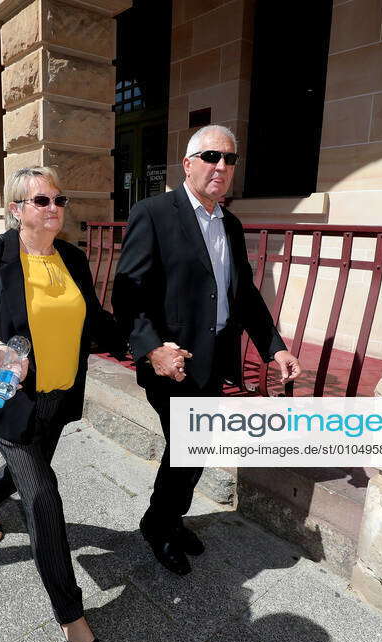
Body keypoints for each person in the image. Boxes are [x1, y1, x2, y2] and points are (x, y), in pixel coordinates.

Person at [0, 166, 125, 642]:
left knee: (28, 473)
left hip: (59, 397)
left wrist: (147, 347)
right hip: (11, 400)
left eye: (59, 200)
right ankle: (72, 616)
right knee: (43, 497)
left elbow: (95, 320)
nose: (54, 208)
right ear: (16, 209)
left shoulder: (72, 258)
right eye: (41, 200)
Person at [112, 124, 302, 577]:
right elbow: (127, 294)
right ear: (188, 164)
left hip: (215, 358)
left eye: (229, 159)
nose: (221, 166)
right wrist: (152, 349)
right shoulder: (153, 213)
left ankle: (167, 519)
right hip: (172, 361)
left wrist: (274, 349)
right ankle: (159, 525)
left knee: (196, 446)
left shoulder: (229, 224)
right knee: (188, 445)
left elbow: (244, 295)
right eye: (211, 156)